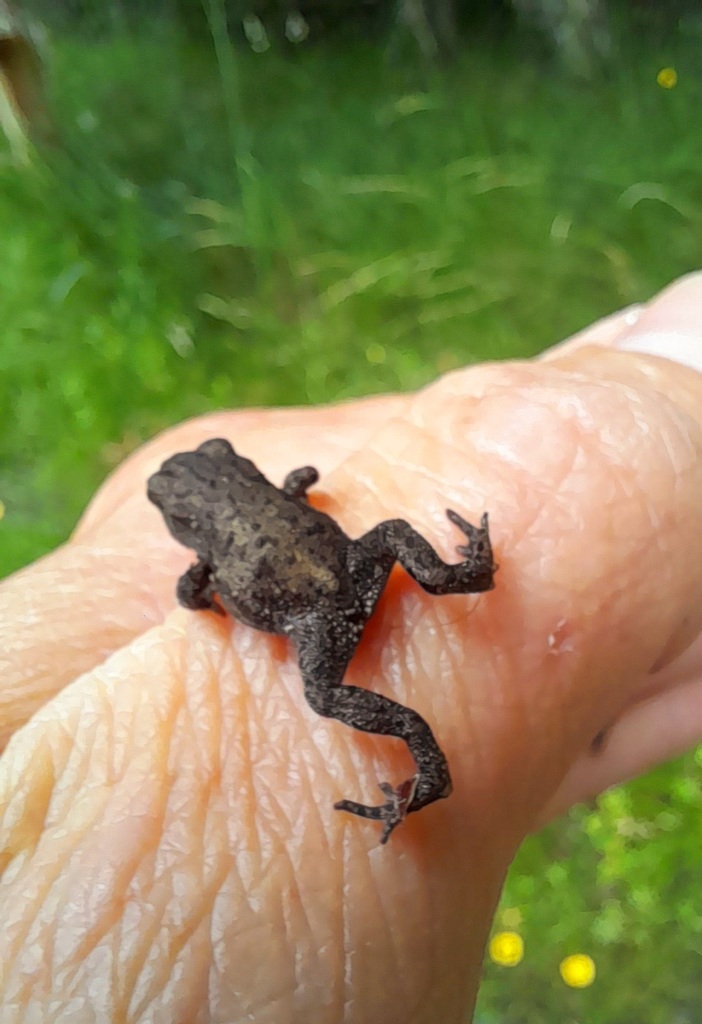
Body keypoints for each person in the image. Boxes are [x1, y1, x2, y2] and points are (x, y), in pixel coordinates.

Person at [1, 273, 702, 1023]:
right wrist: (289, 504)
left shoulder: (203, 557)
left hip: (313, 620)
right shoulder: (274, 489)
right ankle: (463, 580)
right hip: (345, 575)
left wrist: (211, 588)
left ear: (190, 521)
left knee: (322, 695)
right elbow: (299, 481)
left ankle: (426, 767)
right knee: (396, 532)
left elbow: (191, 596)